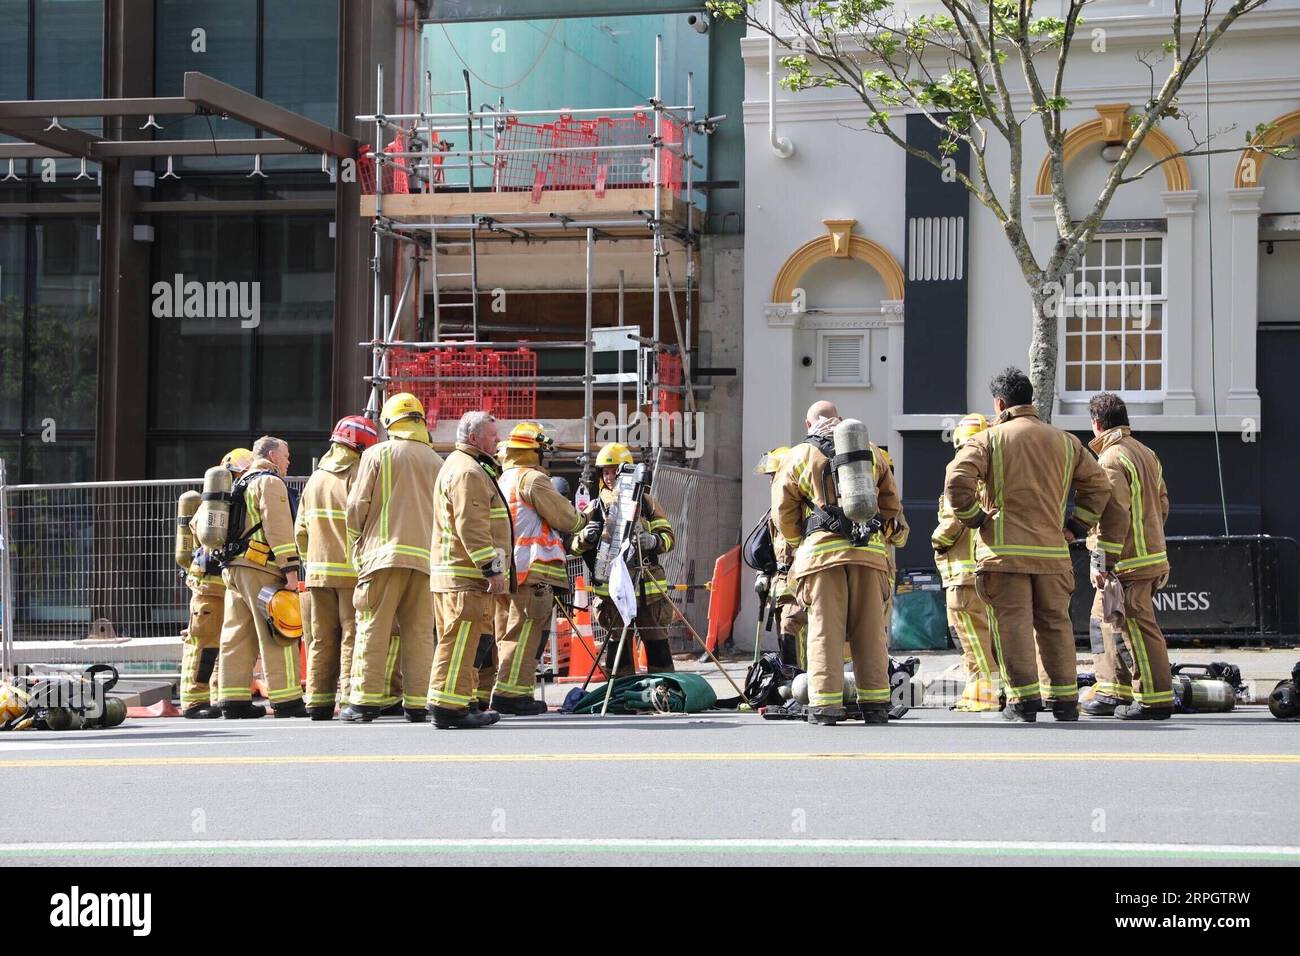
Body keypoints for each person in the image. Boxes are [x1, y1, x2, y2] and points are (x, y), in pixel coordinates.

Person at [944, 368, 1111, 722]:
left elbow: (957, 481)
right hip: (1053, 554)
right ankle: (1064, 701)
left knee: (1013, 623)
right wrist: (1076, 525)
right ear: (1030, 399)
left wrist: (975, 518)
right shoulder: (1066, 441)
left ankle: (1022, 702)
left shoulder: (988, 440)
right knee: (1055, 623)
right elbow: (1099, 486)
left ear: (1000, 403)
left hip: (1005, 555)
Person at [771, 401, 904, 726]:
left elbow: (783, 512)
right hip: (870, 554)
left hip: (822, 557)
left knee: (824, 631)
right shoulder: (871, 452)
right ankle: (875, 705)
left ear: (808, 423)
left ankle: (826, 707)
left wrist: (798, 542)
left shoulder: (799, 455)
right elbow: (890, 505)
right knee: (870, 631)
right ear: (841, 421)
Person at [341, 394, 443, 723]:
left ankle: (363, 702)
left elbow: (356, 507)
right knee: (419, 633)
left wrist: (357, 540)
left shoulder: (377, 455)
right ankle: (417, 702)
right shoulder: (437, 462)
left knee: (373, 627)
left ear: (388, 423)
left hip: (382, 556)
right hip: (426, 562)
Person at [1083, 392, 1175, 720]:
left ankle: (1155, 700)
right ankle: (1112, 690)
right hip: (1146, 557)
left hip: (1127, 564)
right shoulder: (1147, 454)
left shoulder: (1111, 458)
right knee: (1102, 622)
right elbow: (1162, 504)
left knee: (1136, 628)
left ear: (1096, 424)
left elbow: (1113, 515)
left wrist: (1101, 561)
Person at [490, 421, 586, 715]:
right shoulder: (532, 480)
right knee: (525, 633)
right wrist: (583, 522)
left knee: (507, 633)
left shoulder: (502, 478)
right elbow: (565, 518)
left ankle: (503, 688)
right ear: (536, 452)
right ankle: (512, 695)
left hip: (507, 569)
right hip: (532, 570)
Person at [427, 410, 513, 729]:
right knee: (460, 642)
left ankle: (460, 701)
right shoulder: (469, 472)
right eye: (493, 435)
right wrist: (492, 569)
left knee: (466, 642)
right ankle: (448, 706)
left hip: (458, 575)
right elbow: (473, 527)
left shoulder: (463, 467)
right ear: (474, 438)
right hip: (465, 576)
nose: (498, 440)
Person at [217, 436, 307, 719]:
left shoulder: (238, 482)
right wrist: (290, 571)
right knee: (278, 634)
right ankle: (287, 700)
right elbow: (278, 529)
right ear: (271, 454)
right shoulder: (269, 482)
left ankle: (232, 700)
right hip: (261, 568)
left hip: (232, 568)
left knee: (236, 635)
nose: (289, 460)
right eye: (286, 454)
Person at [295, 415, 378, 720]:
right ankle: (347, 700)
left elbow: (300, 530)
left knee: (320, 638)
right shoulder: (359, 474)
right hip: (352, 573)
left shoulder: (315, 478)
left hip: (317, 574)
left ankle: (317, 702)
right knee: (351, 637)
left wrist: (310, 562)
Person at [570, 442, 677, 678]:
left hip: (648, 591)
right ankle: (620, 694)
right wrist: (585, 538)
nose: (609, 477)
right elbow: (574, 546)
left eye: (614, 471)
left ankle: (666, 690)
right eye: (605, 472)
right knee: (618, 648)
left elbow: (669, 538)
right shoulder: (595, 507)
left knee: (657, 644)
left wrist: (652, 541)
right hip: (613, 593)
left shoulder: (647, 502)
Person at [932, 415, 1001, 711]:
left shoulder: (961, 477)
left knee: (972, 641)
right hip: (992, 573)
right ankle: (1000, 691)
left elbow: (950, 523)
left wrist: (936, 541)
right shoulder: (997, 480)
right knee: (992, 640)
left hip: (962, 578)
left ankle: (984, 695)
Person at [177, 448, 252, 718]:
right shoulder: (212, 508)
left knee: (223, 644)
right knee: (205, 643)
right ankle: (194, 701)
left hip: (222, 584)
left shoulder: (229, 503)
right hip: (209, 587)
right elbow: (204, 535)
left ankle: (218, 695)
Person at [754, 446, 806, 668]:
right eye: (770, 477)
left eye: (775, 476)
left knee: (791, 626)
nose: (772, 481)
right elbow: (769, 548)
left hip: (800, 584)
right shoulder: (774, 513)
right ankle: (790, 679)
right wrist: (763, 573)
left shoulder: (803, 510)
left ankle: (800, 681)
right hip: (779, 588)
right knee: (784, 632)